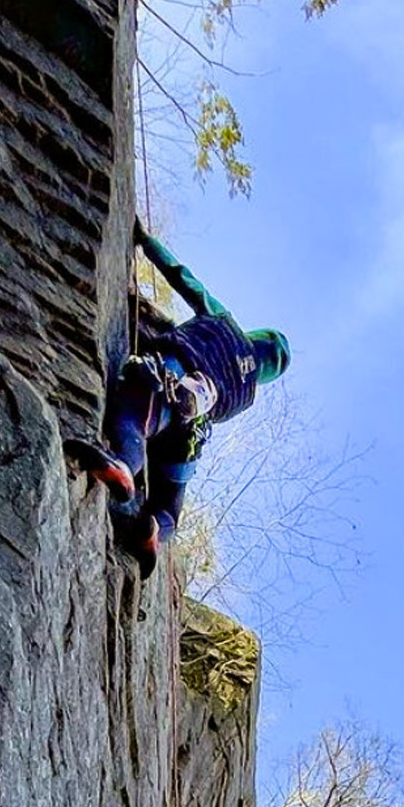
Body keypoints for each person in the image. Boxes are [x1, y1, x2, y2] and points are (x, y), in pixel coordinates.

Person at [76, 224, 291, 576]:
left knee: (133, 424)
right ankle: (155, 529)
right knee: (169, 508)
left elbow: (184, 279)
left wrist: (146, 242)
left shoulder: (224, 322)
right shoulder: (247, 395)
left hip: (168, 382)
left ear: (260, 336)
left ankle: (125, 466)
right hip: (188, 436)